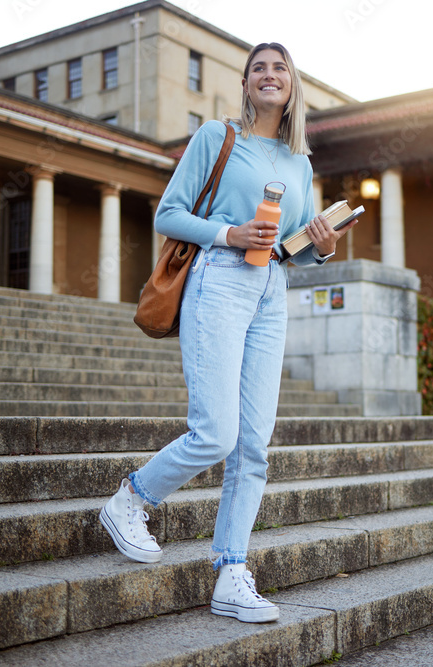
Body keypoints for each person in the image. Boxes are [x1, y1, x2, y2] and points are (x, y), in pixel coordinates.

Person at [99, 42, 357, 624]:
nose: (270, 76)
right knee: (216, 433)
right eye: (259, 68)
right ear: (245, 84)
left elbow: (294, 244)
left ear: (293, 87)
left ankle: (231, 572)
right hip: (218, 280)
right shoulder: (216, 138)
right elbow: (169, 213)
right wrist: (228, 236)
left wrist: (323, 244)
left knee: (253, 446)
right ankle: (131, 499)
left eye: (280, 68)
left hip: (273, 291)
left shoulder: (300, 162)